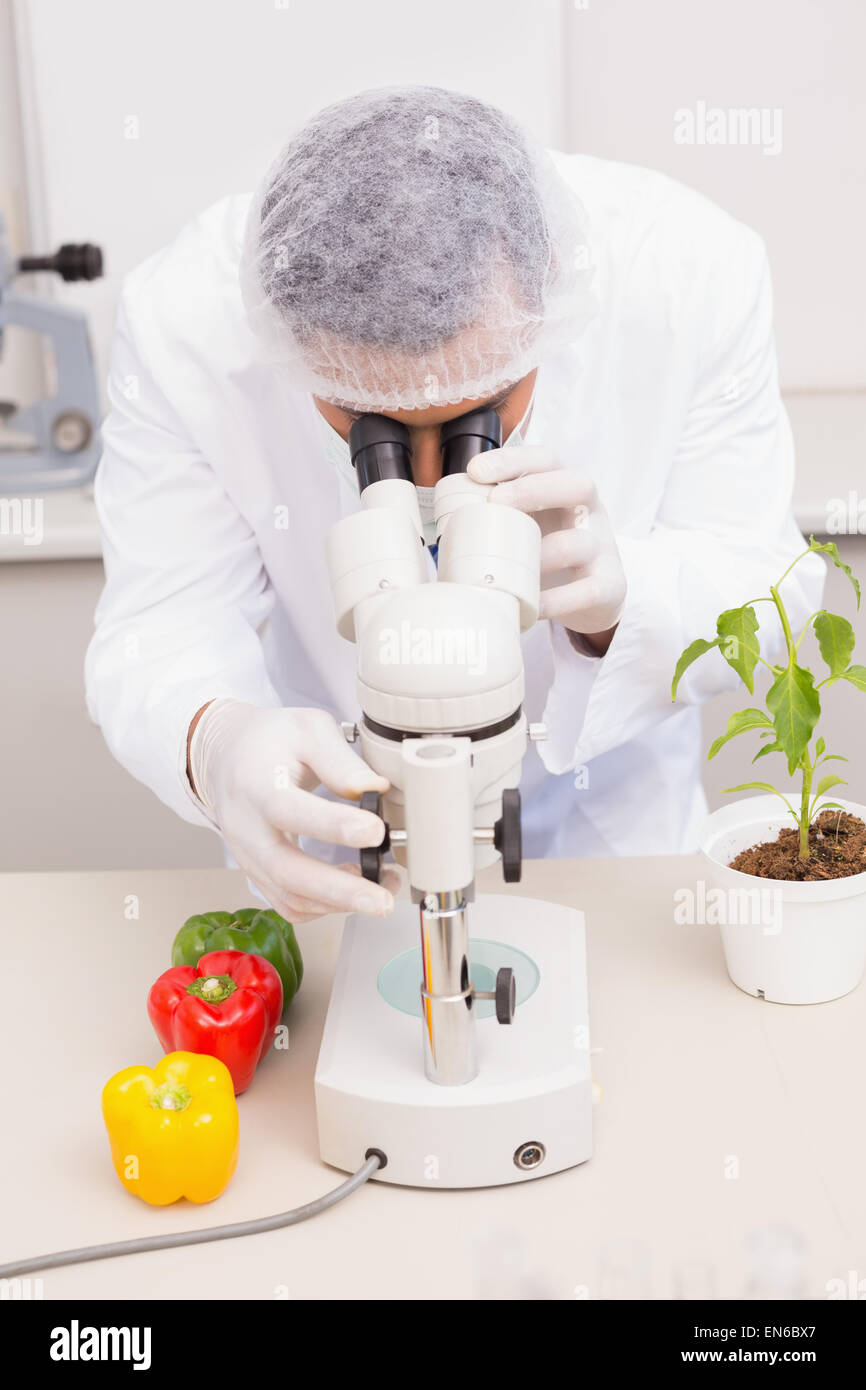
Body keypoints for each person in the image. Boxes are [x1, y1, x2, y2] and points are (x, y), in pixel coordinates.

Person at [85, 85, 823, 924]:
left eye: (478, 414)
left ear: (547, 301)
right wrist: (214, 742)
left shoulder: (687, 274)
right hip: (343, 838)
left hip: (615, 844)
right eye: (376, 430)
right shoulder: (190, 323)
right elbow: (162, 620)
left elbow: (777, 595)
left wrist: (622, 605)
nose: (430, 485)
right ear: (288, 349)